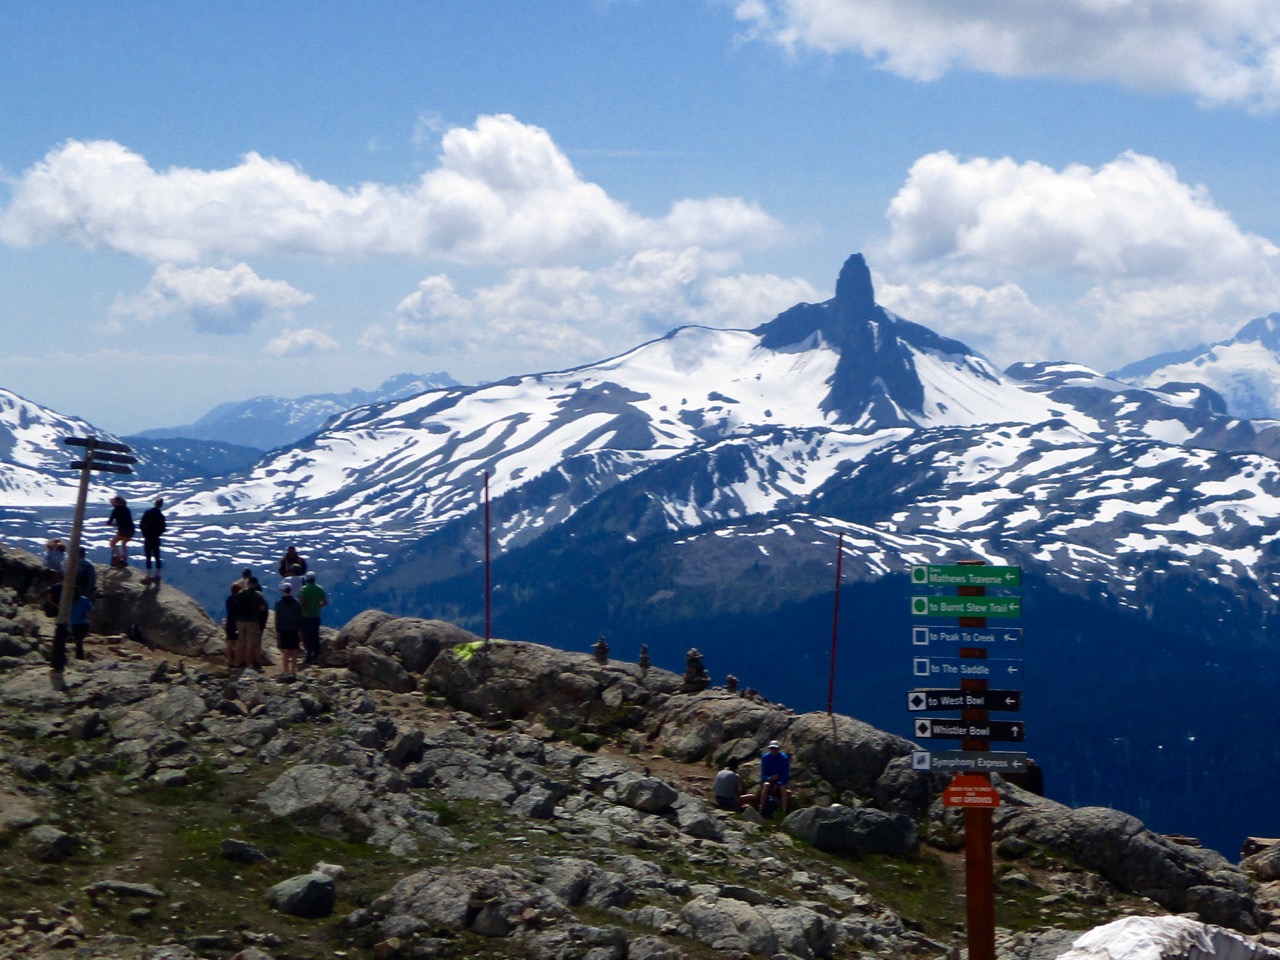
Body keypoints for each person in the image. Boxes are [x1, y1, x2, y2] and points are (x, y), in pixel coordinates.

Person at [231, 577, 268, 674]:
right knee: (250, 644)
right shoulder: (258, 595)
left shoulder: (240, 593)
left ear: (248, 583)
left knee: (240, 642)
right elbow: (263, 608)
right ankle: (248, 665)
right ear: (255, 584)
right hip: (253, 621)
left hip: (240, 621)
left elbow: (235, 605)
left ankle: (239, 663)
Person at [274, 582, 303, 679]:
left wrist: (277, 628)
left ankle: (286, 671)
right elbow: (299, 616)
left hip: (283, 629)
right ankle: (293, 671)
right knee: (294, 650)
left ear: (282, 590)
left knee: (286, 650)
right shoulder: (297, 602)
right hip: (294, 628)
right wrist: (300, 628)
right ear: (291, 590)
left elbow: (277, 617)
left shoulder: (279, 603)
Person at [299, 570, 327, 665]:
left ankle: (308, 655)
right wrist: (318, 606)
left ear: (307, 579)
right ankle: (317, 655)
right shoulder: (319, 588)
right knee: (315, 635)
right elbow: (325, 602)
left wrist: (302, 609)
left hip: (306, 616)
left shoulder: (304, 589)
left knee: (307, 636)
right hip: (316, 615)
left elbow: (302, 603)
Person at [759, 740, 791, 815]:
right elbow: (763, 774)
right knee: (766, 785)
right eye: (772, 748)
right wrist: (769, 778)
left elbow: (785, 774)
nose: (773, 750)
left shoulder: (784, 758)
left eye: (775, 748)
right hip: (769, 779)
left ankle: (784, 810)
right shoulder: (765, 758)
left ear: (778, 749)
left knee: (783, 788)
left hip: (780, 780)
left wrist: (778, 783)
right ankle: (761, 808)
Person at [139, 498, 167, 583]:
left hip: (148, 537)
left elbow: (141, 524)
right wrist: (157, 534)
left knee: (148, 557)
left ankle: (148, 576)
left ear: (155, 503)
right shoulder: (161, 516)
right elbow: (163, 529)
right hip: (156, 538)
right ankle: (157, 576)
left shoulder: (148, 512)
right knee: (157, 556)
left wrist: (145, 533)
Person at [107, 496, 135, 568]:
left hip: (123, 530)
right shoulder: (127, 509)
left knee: (112, 543)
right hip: (131, 529)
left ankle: (120, 558)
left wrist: (112, 524)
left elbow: (110, 521)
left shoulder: (116, 509)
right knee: (123, 544)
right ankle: (125, 560)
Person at [69, 590, 92, 660]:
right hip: (73, 623)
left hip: (83, 623)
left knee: (79, 639)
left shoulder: (84, 599)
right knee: (77, 640)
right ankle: (79, 656)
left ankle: (79, 656)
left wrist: (89, 620)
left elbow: (90, 609)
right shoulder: (69, 600)